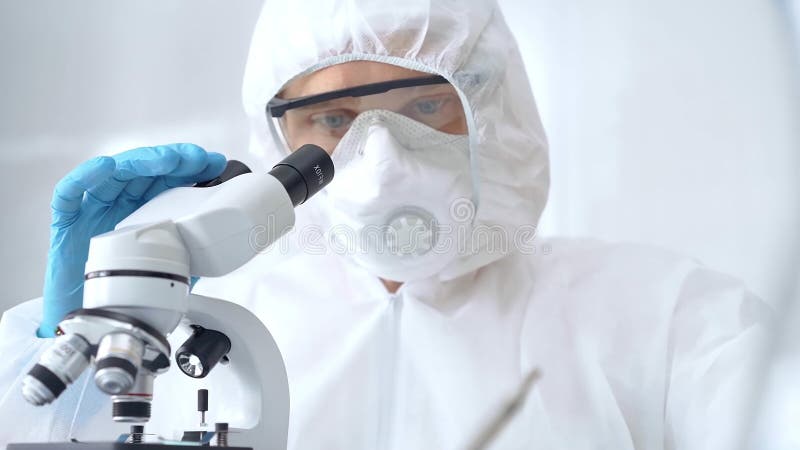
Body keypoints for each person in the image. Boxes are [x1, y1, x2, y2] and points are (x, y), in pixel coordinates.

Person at [0, 0, 771, 449]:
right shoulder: (218, 334)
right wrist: (79, 335)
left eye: (425, 107)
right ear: (279, 141)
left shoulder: (661, 317)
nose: (385, 161)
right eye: (335, 119)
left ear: (491, 110)